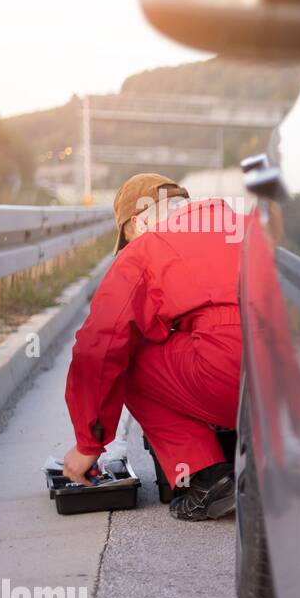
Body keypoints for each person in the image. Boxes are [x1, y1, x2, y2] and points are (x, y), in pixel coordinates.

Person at [61, 173, 244, 521]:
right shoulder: (239, 221)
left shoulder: (146, 248)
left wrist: (89, 443)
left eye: (126, 238)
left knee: (131, 357)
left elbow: (98, 348)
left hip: (234, 373)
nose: (127, 247)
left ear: (137, 222)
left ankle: (209, 478)